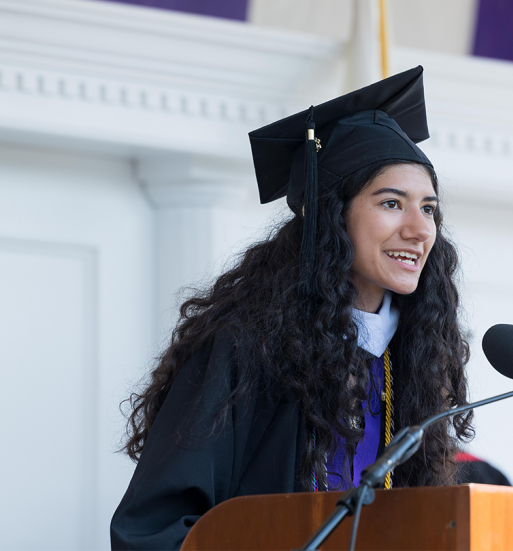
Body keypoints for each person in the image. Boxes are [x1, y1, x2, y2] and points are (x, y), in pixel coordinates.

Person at [110, 66, 472, 550]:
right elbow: (154, 529)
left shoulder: (415, 358)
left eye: (428, 208)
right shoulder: (247, 351)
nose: (419, 228)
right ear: (332, 217)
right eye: (391, 203)